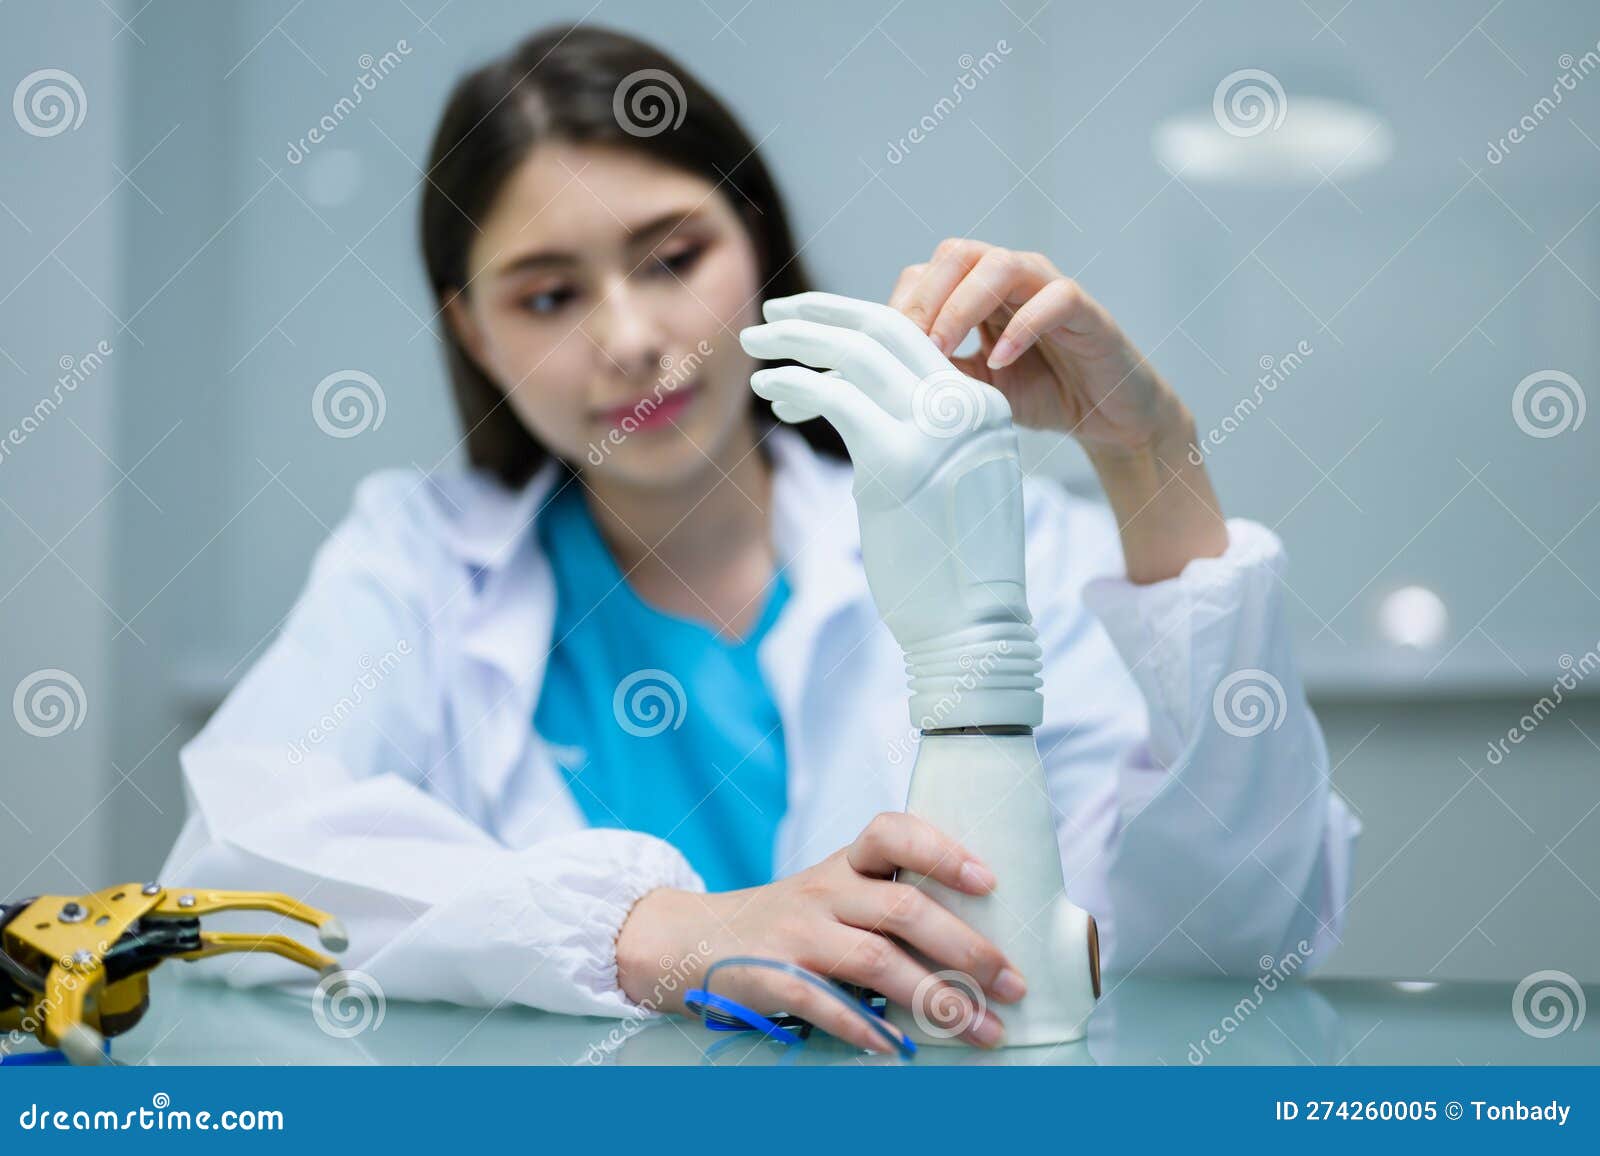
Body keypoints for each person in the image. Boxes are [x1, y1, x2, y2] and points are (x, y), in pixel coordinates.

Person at [161, 23, 1358, 1053]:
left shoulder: (1002, 538)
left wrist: (1153, 461)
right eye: (546, 296)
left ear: (757, 242)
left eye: (673, 259)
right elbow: (227, 867)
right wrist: (660, 931)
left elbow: (1232, 936)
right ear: (471, 332)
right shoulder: (417, 560)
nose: (630, 339)